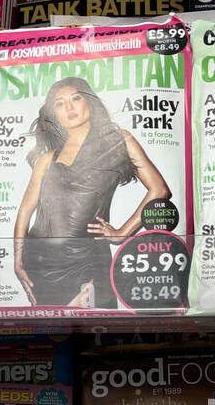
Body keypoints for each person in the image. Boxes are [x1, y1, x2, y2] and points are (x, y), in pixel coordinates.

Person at [12, 76, 169, 308]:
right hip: (42, 263)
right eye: (60, 103)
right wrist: (18, 259)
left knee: (98, 333)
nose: (69, 107)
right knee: (53, 335)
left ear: (90, 102)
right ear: (53, 113)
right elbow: (25, 211)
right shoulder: (47, 158)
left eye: (76, 98)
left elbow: (160, 190)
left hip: (88, 259)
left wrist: (122, 233)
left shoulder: (119, 141)